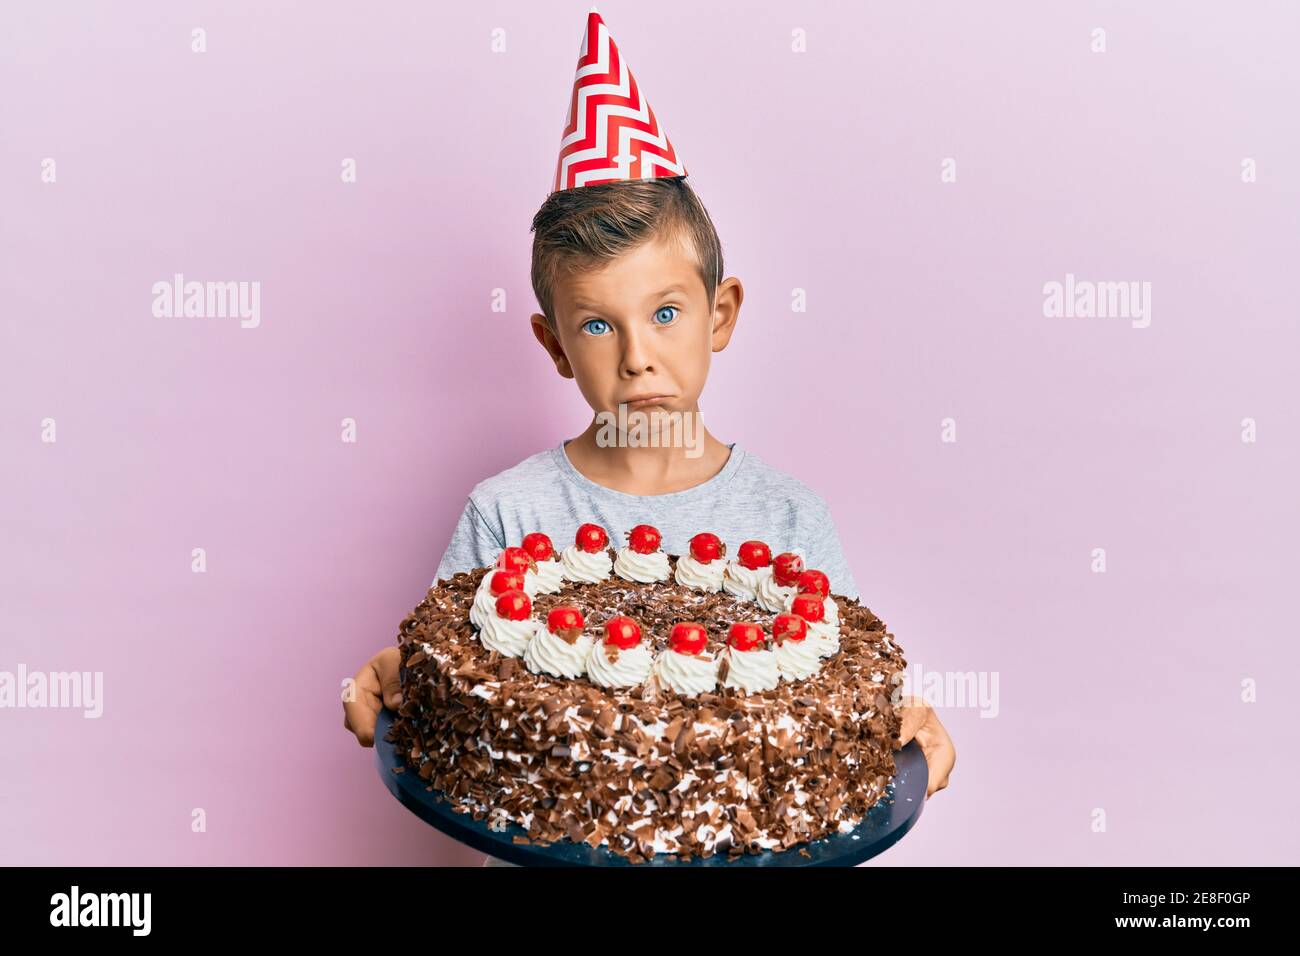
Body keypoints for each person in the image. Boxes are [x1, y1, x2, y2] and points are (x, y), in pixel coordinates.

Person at [343, 10, 954, 867]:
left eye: (667, 313)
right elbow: (452, 682)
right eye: (598, 327)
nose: (639, 359)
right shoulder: (506, 515)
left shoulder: (788, 518)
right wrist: (402, 679)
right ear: (554, 345)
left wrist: (899, 726)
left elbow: (842, 702)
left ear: (722, 315)